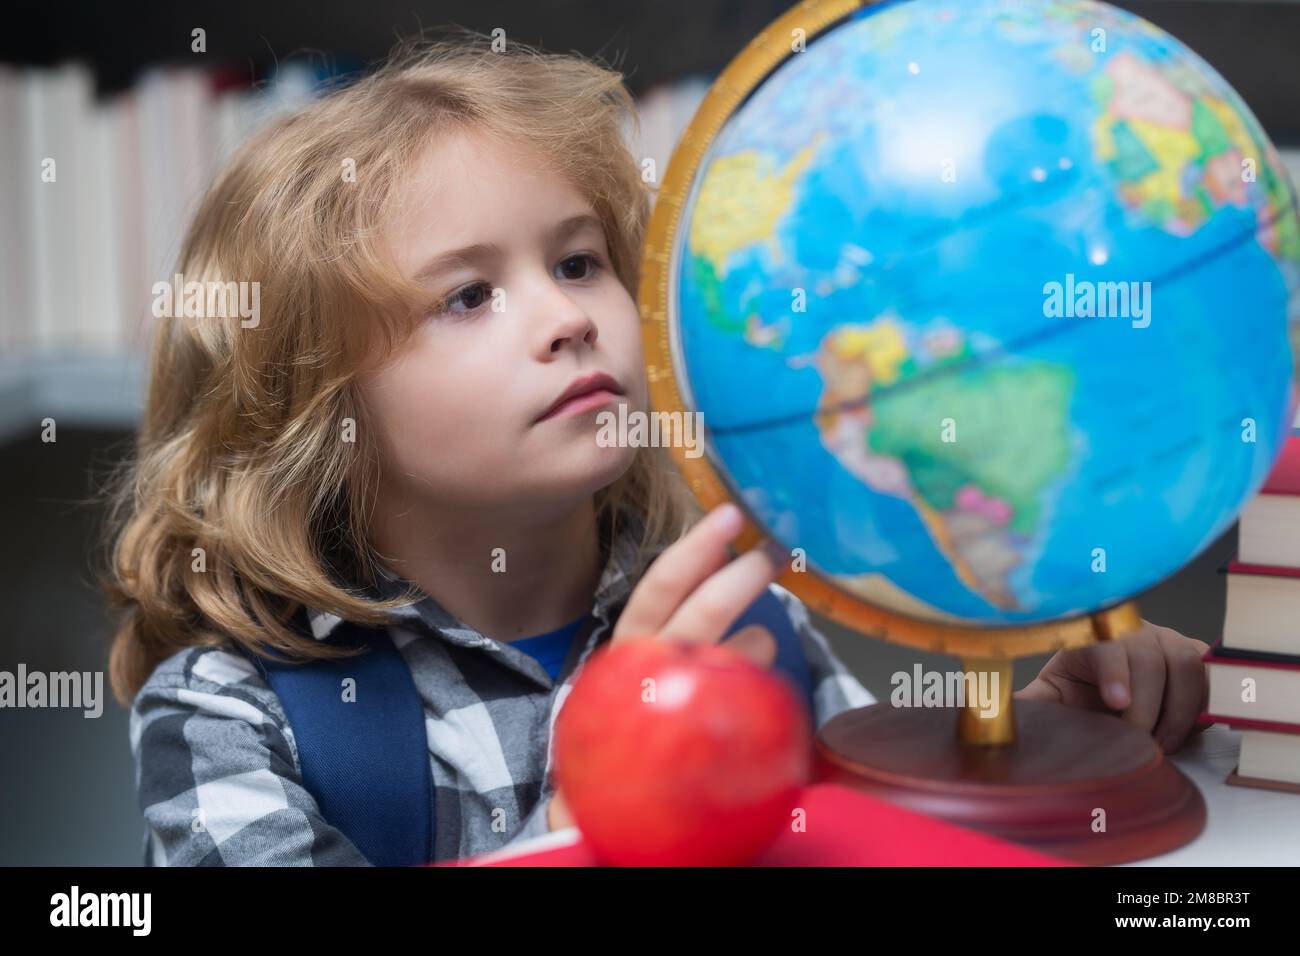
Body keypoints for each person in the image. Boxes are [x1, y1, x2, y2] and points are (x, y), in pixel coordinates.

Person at [99, 31, 1209, 866]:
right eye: (471, 293)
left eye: (578, 262)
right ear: (313, 402)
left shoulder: (743, 621)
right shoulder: (228, 713)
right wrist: (582, 831)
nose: (565, 316)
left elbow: (843, 845)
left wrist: (1035, 744)